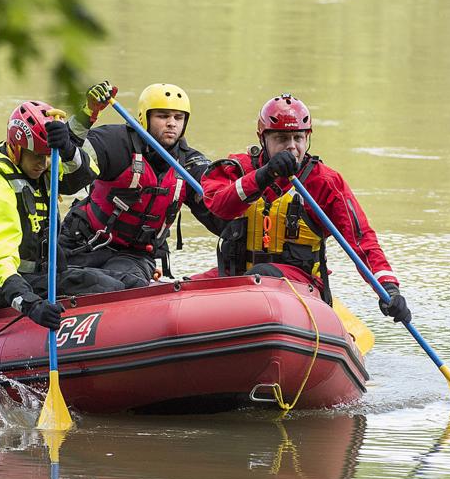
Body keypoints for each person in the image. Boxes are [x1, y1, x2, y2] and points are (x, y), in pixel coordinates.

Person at [198, 93, 411, 324]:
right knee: (183, 288)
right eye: (281, 138)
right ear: (263, 139)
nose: (291, 147)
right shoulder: (237, 169)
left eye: (298, 138)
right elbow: (218, 206)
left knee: (262, 276)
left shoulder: (324, 182)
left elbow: (361, 240)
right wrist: (265, 175)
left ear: (307, 138)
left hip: (299, 286)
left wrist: (388, 287)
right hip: (235, 277)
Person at [0, 100, 127, 331]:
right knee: (102, 284)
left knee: (128, 281)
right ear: (16, 148)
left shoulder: (42, 166)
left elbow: (85, 175)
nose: (43, 163)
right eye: (36, 155)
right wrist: (31, 305)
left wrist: (67, 149)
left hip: (40, 275)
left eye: (48, 155)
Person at [50, 81, 224, 287]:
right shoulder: (114, 142)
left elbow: (218, 206)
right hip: (81, 243)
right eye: (162, 116)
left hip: (134, 255)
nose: (172, 123)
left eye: (178, 117)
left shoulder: (190, 164)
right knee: (82, 281)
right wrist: (86, 115)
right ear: (144, 117)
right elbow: (69, 170)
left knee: (119, 285)